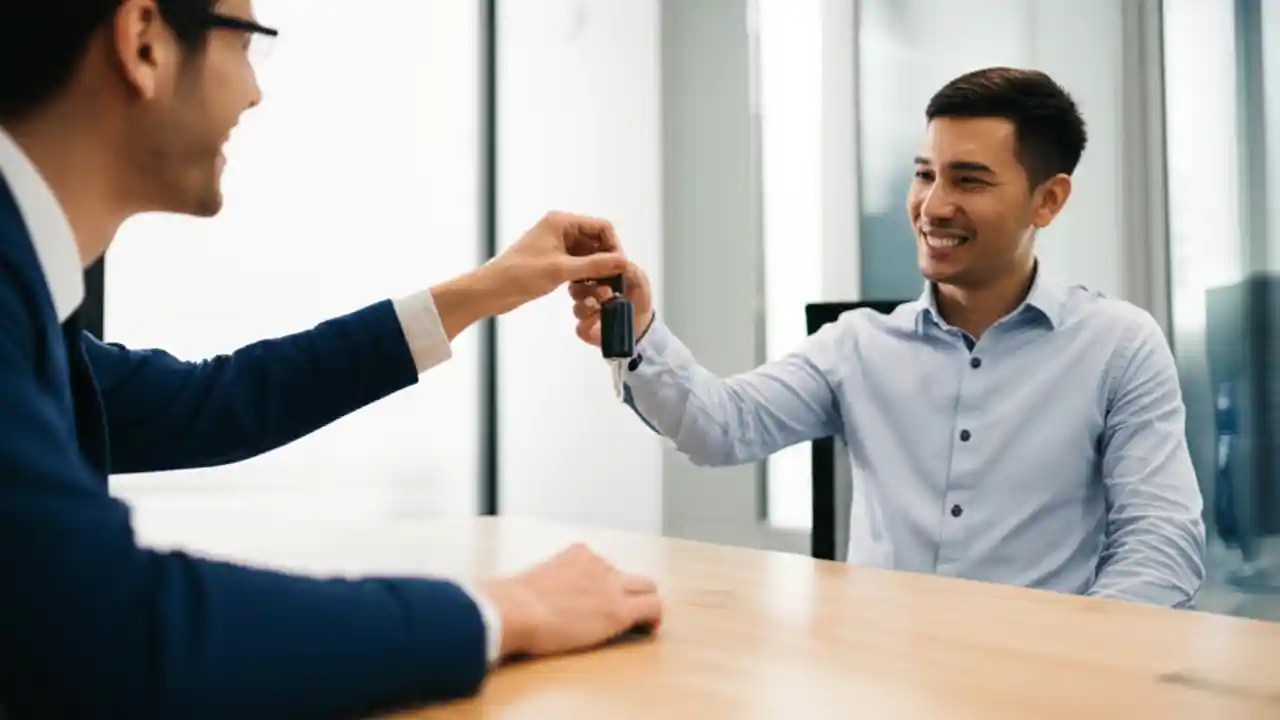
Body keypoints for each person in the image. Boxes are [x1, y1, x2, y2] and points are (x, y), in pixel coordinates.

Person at [0, 0, 661, 717]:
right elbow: (110, 631)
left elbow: (215, 402)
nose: (256, 91)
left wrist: (484, 291)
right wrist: (501, 610)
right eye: (248, 43)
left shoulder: (26, 297)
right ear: (145, 42)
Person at [572, 67, 1206, 608]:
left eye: (969, 179)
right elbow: (722, 427)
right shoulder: (857, 345)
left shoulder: (1119, 346)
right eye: (925, 174)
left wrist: (1073, 665)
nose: (932, 206)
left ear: (1049, 201)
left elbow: (1161, 542)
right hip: (876, 680)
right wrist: (641, 335)